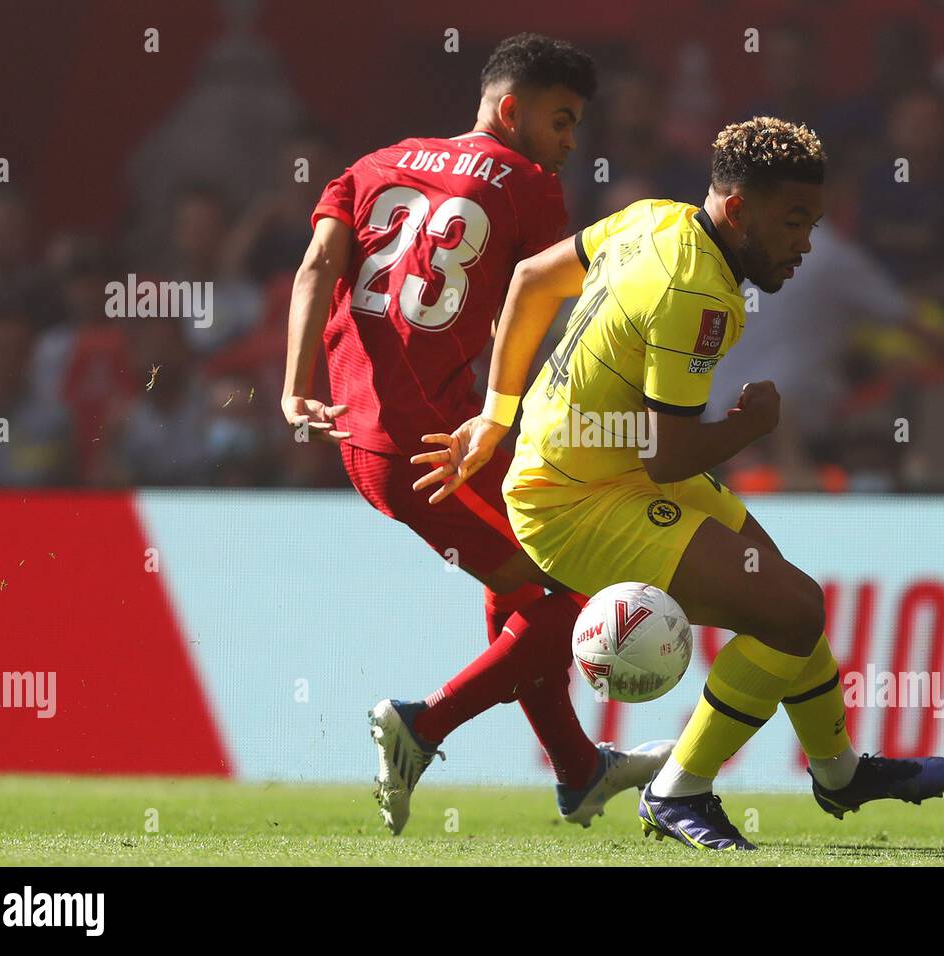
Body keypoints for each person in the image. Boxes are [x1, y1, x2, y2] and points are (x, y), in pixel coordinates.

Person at [414, 117, 944, 851]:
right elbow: (671, 454)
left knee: (791, 603)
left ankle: (839, 773)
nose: (805, 243)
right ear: (739, 209)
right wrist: (752, 424)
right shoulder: (698, 294)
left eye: (814, 222)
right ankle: (679, 791)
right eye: (793, 221)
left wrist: (497, 412)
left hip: (603, 467)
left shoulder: (653, 220)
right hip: (575, 501)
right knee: (792, 614)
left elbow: (531, 279)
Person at [281, 33, 670, 835]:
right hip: (438, 443)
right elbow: (541, 309)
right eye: (561, 122)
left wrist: (293, 390)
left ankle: (576, 772)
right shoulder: (527, 185)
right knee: (566, 595)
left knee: (519, 591)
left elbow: (317, 264)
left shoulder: (376, 162)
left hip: (369, 434)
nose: (569, 144)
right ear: (511, 109)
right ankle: (423, 726)